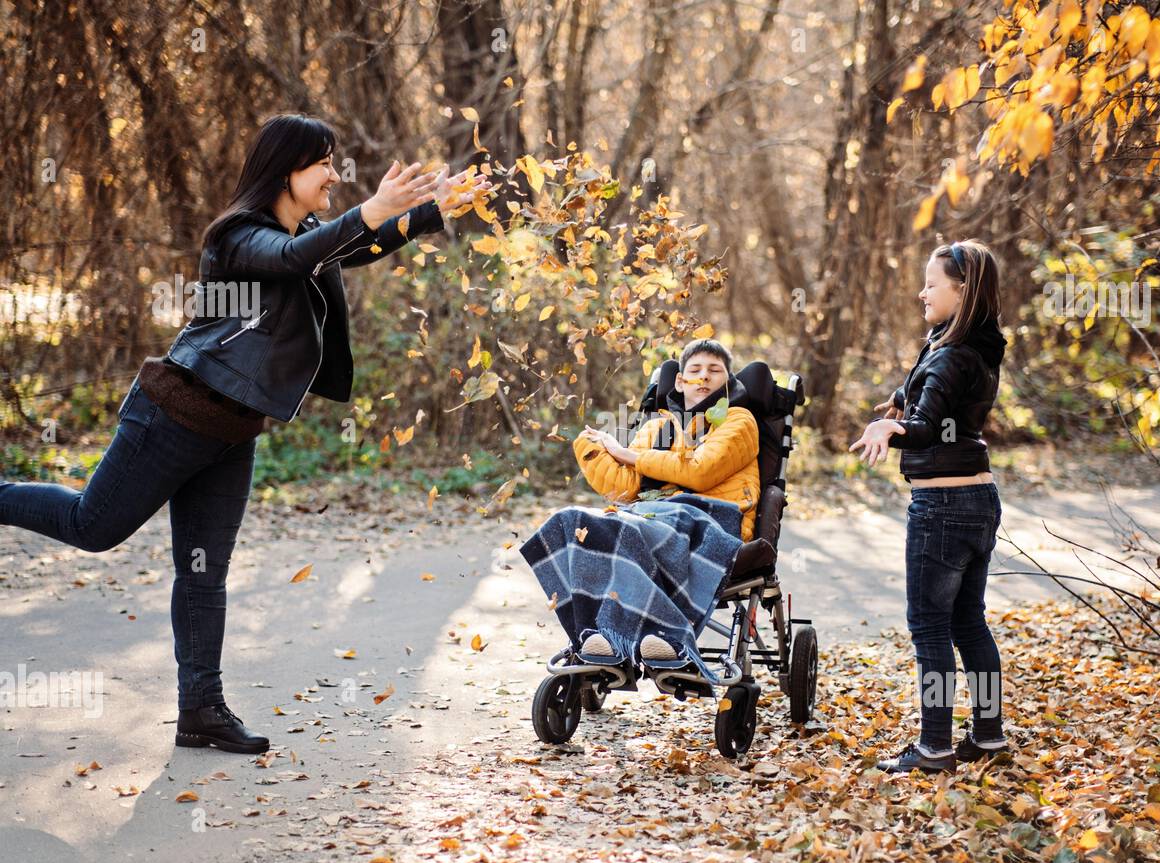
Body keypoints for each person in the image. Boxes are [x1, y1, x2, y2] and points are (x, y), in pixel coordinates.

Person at [0, 112, 489, 753]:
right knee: (94, 528)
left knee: (204, 573)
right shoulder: (239, 237)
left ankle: (200, 711)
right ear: (286, 169)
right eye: (323, 162)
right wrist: (373, 210)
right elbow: (292, 259)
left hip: (231, 433)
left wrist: (429, 213)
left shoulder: (307, 232)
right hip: (173, 416)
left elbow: (348, 248)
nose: (334, 174)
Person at [850, 239, 1010, 774]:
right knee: (969, 624)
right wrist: (902, 398)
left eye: (932, 284)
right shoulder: (980, 344)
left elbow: (925, 431)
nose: (922, 292)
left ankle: (935, 747)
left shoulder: (951, 353)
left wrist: (892, 426)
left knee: (931, 628)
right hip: (980, 499)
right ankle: (987, 737)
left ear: (961, 291)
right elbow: (937, 393)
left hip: (942, 506)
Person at [536, 338, 760, 665]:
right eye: (695, 370)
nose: (705, 377)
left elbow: (699, 473)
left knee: (643, 526)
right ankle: (598, 636)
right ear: (680, 381)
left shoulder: (739, 421)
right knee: (585, 524)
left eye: (715, 371)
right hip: (651, 517)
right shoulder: (657, 428)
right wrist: (594, 450)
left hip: (712, 521)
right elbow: (628, 489)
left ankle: (667, 635)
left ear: (728, 382)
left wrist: (626, 453)